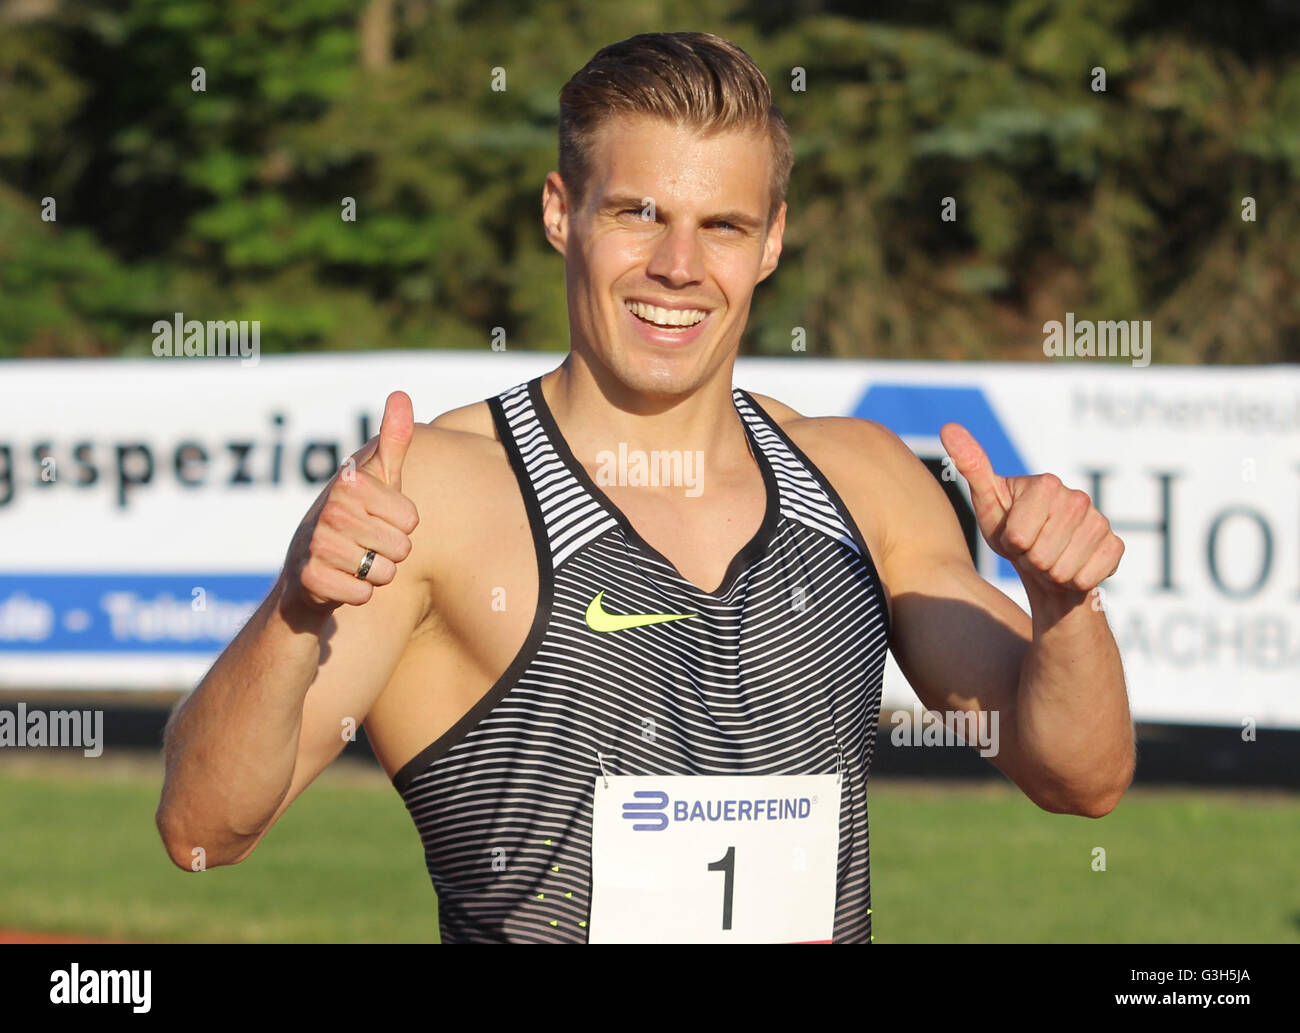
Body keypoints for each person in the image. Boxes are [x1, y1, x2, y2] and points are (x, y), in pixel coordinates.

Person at [155, 31, 1134, 944]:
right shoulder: (437, 501)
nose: (677, 266)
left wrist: (1064, 609)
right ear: (558, 211)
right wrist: (295, 609)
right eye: (639, 214)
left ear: (771, 241)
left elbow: (1079, 777)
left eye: (722, 225)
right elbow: (205, 830)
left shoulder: (862, 478)